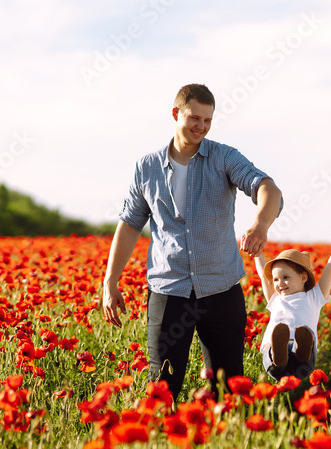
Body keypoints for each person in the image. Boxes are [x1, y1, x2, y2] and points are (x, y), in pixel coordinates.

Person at [102, 83, 283, 402]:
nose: (201, 126)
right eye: (194, 118)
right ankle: (159, 448)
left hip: (221, 289)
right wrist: (110, 281)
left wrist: (260, 224)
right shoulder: (147, 167)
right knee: (162, 385)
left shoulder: (224, 157)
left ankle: (224, 447)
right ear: (176, 113)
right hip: (169, 291)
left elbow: (268, 188)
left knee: (228, 386)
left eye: (208, 120)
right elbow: (130, 225)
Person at [253, 234, 331, 381]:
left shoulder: (314, 297)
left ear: (303, 277)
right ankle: (279, 356)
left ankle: (301, 351)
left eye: (286, 277)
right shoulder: (275, 298)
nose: (280, 283)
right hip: (274, 356)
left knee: (304, 336)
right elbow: (262, 273)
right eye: (276, 279)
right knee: (276, 351)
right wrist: (256, 250)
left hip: (303, 364)